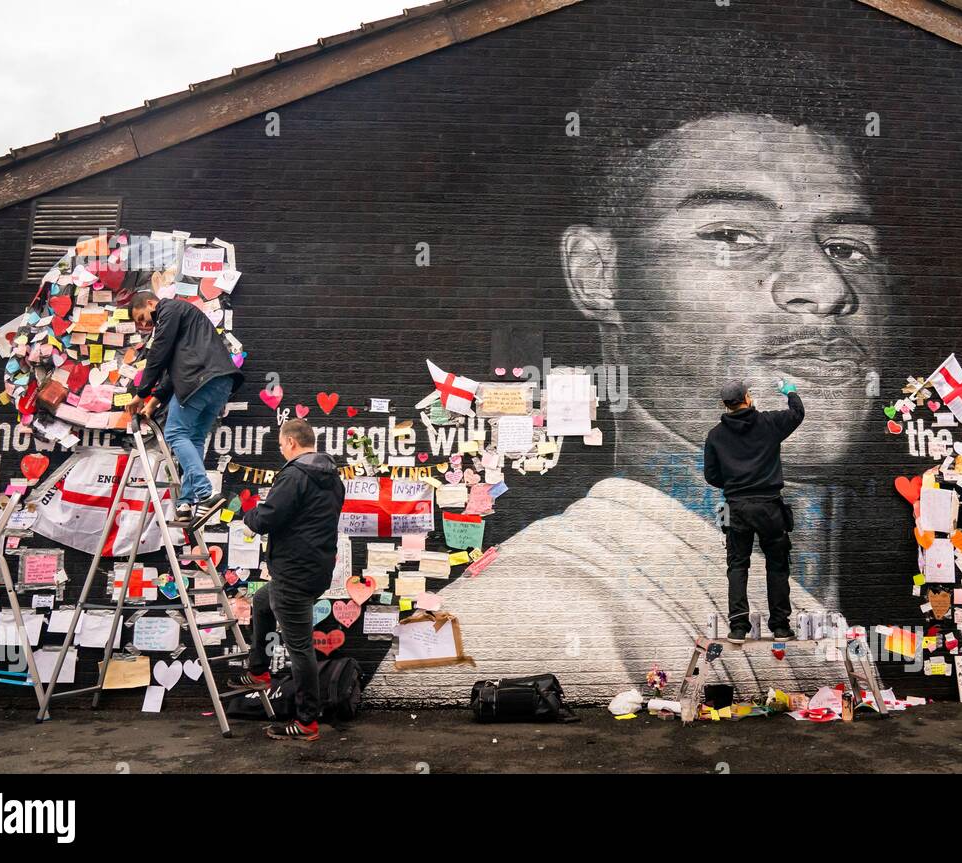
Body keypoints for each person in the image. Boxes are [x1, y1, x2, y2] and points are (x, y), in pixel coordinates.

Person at [363, 30, 888, 705]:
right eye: (732, 236)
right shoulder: (523, 621)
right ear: (598, 274)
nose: (824, 285)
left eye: (848, 244)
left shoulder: (810, 603)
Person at [229, 419, 344, 741]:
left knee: (300, 649)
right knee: (263, 601)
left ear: (291, 443)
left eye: (281, 445)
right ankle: (258, 671)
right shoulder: (332, 477)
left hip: (293, 571)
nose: (281, 451)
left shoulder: (295, 475)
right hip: (314, 569)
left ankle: (307, 721)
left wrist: (248, 514)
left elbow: (266, 519)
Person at [126, 291, 244, 521]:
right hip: (220, 383)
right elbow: (173, 371)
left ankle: (205, 492)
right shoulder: (185, 323)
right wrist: (154, 402)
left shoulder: (168, 310)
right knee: (195, 439)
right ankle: (186, 504)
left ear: (151, 303)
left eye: (141, 317)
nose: (143, 324)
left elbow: (158, 354)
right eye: (139, 322)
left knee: (175, 432)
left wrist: (141, 393)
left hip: (200, 380)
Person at [703, 380, 804, 643]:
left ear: (726, 405)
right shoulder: (769, 423)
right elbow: (797, 414)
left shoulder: (715, 435)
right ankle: (780, 626)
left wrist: (735, 484)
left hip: (736, 508)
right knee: (778, 565)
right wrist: (790, 392)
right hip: (770, 506)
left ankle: (738, 627)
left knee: (737, 565)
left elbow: (711, 476)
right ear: (747, 398)